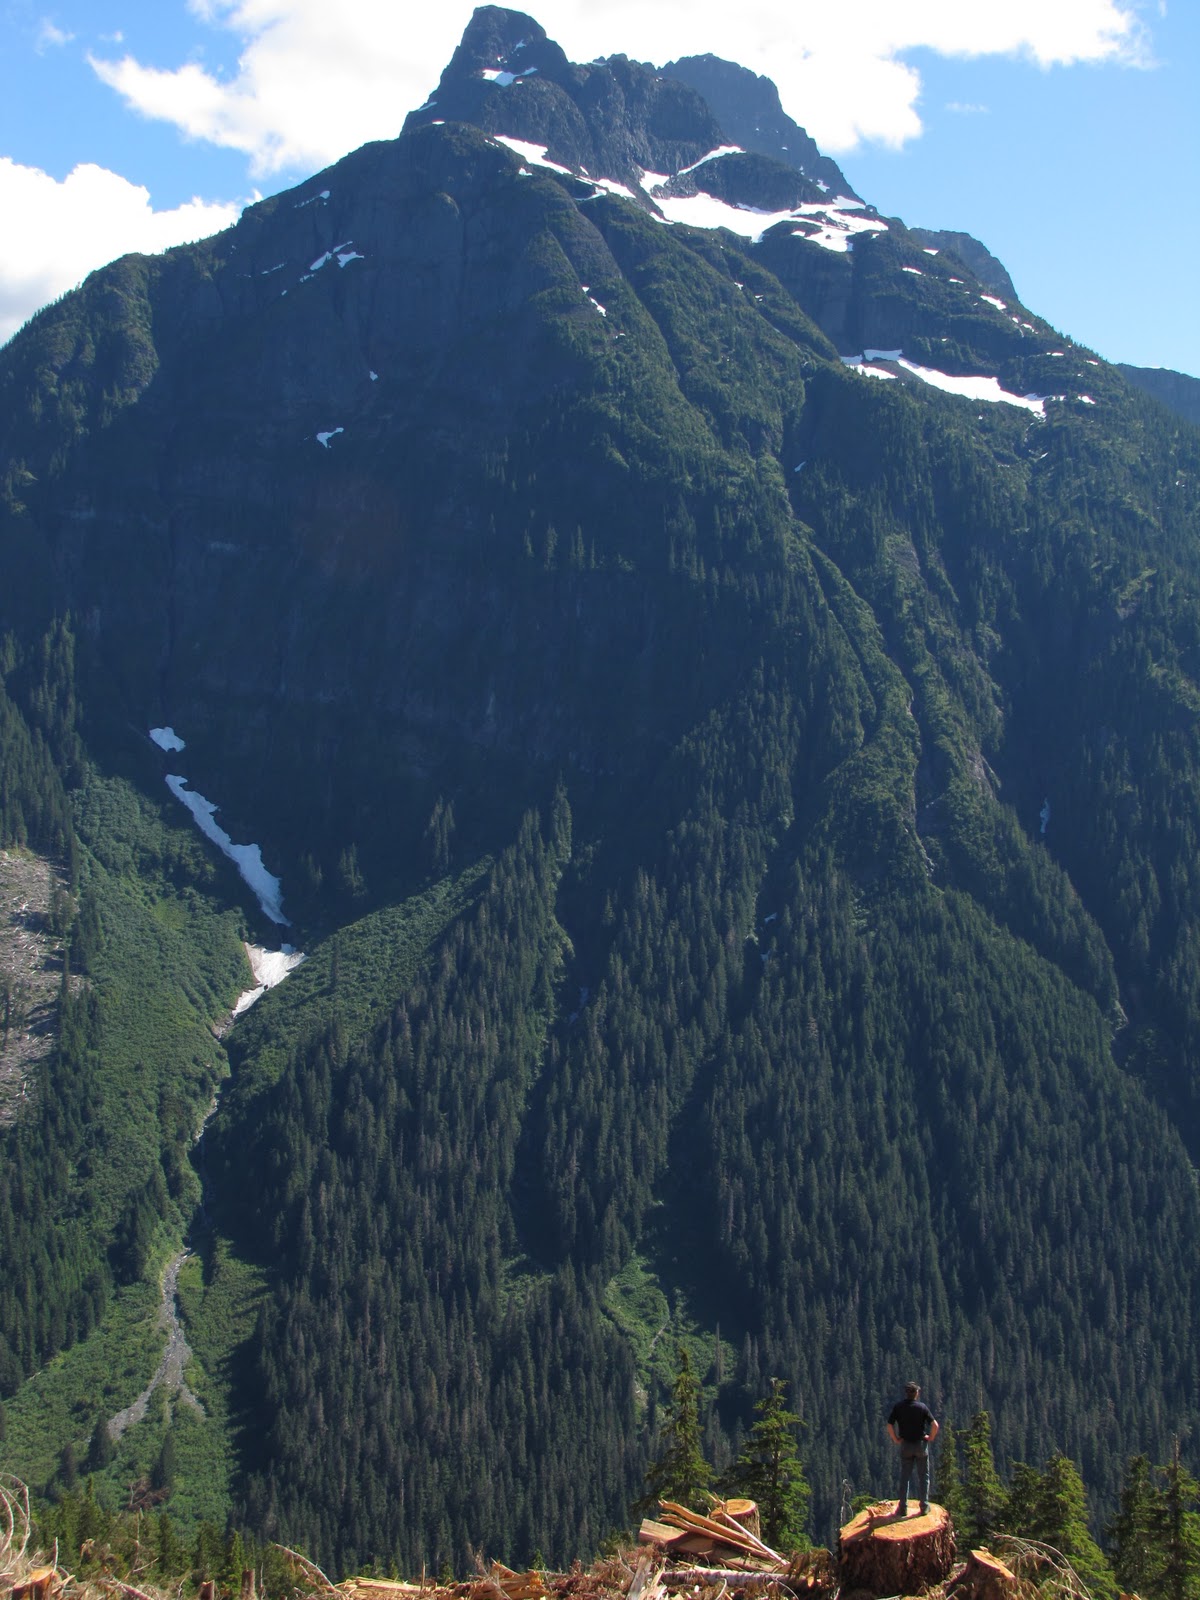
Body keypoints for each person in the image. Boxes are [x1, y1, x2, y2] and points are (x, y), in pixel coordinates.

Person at [887, 1381, 939, 1516]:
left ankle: (903, 1507)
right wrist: (931, 1437)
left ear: (906, 1393)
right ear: (916, 1393)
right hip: (920, 1444)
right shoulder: (922, 1407)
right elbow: (935, 1425)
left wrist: (896, 1439)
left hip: (906, 1445)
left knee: (905, 1476)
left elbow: (889, 1425)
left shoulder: (898, 1407)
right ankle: (924, 1506)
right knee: (924, 1476)